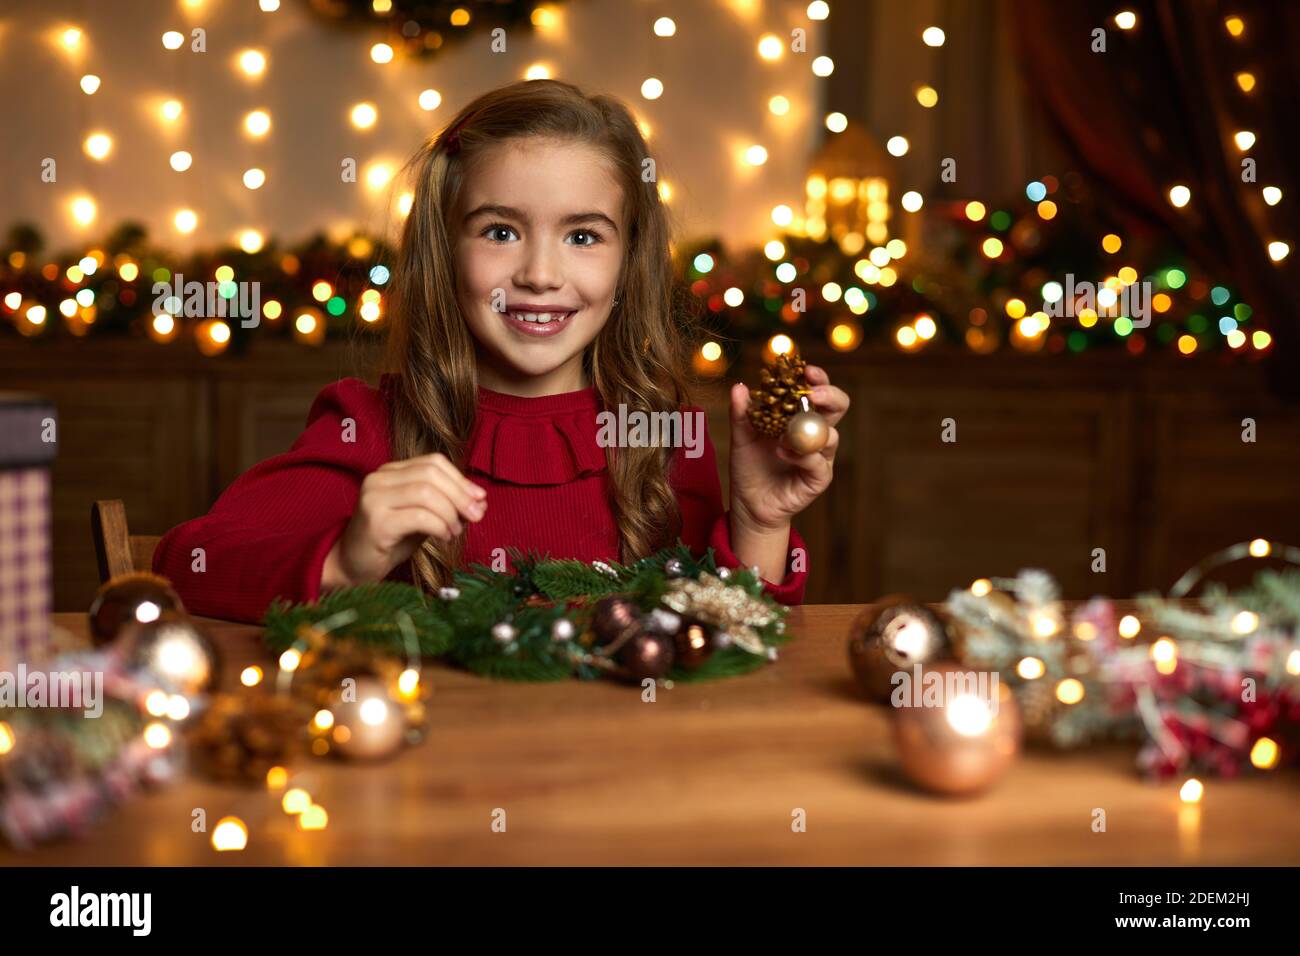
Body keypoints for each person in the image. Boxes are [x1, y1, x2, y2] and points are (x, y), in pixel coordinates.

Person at [153, 79, 848, 623]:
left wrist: (760, 522)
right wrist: (344, 560)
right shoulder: (368, 425)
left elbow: (730, 651)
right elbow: (187, 564)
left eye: (582, 236)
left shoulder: (662, 435)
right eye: (499, 231)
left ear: (627, 260)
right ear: (445, 250)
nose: (541, 274)